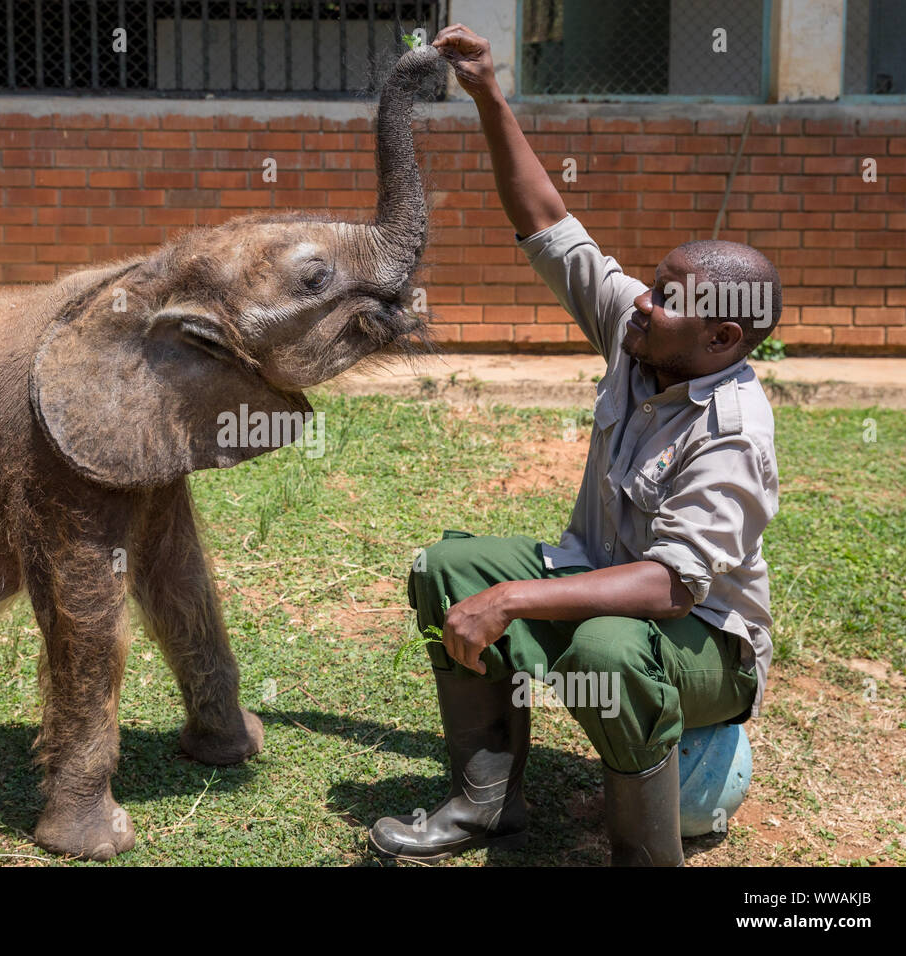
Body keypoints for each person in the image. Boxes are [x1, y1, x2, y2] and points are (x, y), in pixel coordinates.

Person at [368, 24, 781, 866]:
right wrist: (487, 92)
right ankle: (486, 806)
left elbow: (669, 586)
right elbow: (549, 220)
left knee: (607, 647)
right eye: (652, 285)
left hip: (703, 645)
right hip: (595, 577)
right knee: (451, 569)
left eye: (667, 299)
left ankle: (641, 855)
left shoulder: (731, 433)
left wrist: (515, 602)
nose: (641, 300)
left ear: (724, 338)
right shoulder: (640, 336)